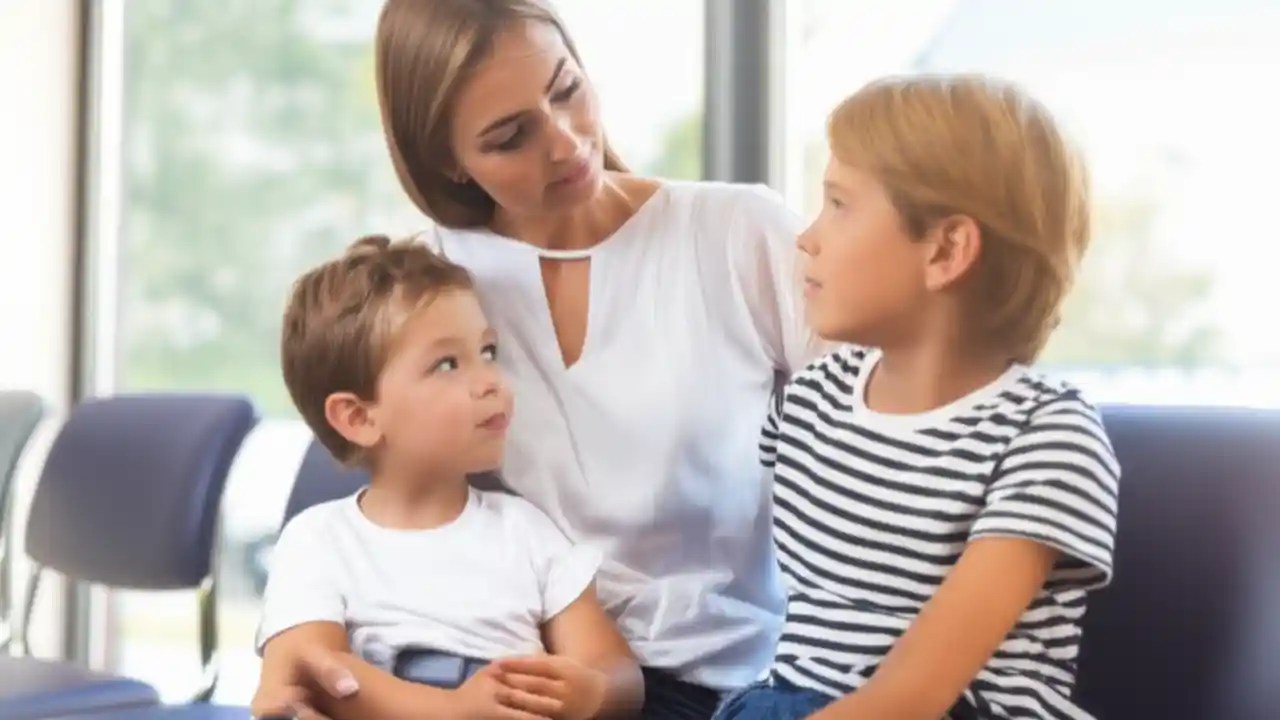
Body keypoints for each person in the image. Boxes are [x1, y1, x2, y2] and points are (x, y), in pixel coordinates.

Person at [263, 1, 822, 718]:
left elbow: (889, 436)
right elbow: (346, 564)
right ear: (448, 162)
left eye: (566, 90)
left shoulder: (739, 233)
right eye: (508, 137)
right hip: (512, 687)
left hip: (727, 677)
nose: (565, 144)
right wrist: (295, 674)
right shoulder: (433, 294)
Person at [714, 75, 1121, 720]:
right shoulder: (810, 401)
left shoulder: (1048, 433)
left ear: (947, 249)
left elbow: (912, 698)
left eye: (839, 204)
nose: (806, 237)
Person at [251, 236, 643, 720]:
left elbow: (616, 668)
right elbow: (318, 673)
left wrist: (593, 693)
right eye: (447, 364)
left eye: (489, 351)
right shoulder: (318, 541)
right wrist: (455, 710)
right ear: (358, 417)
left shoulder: (527, 531)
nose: (491, 380)